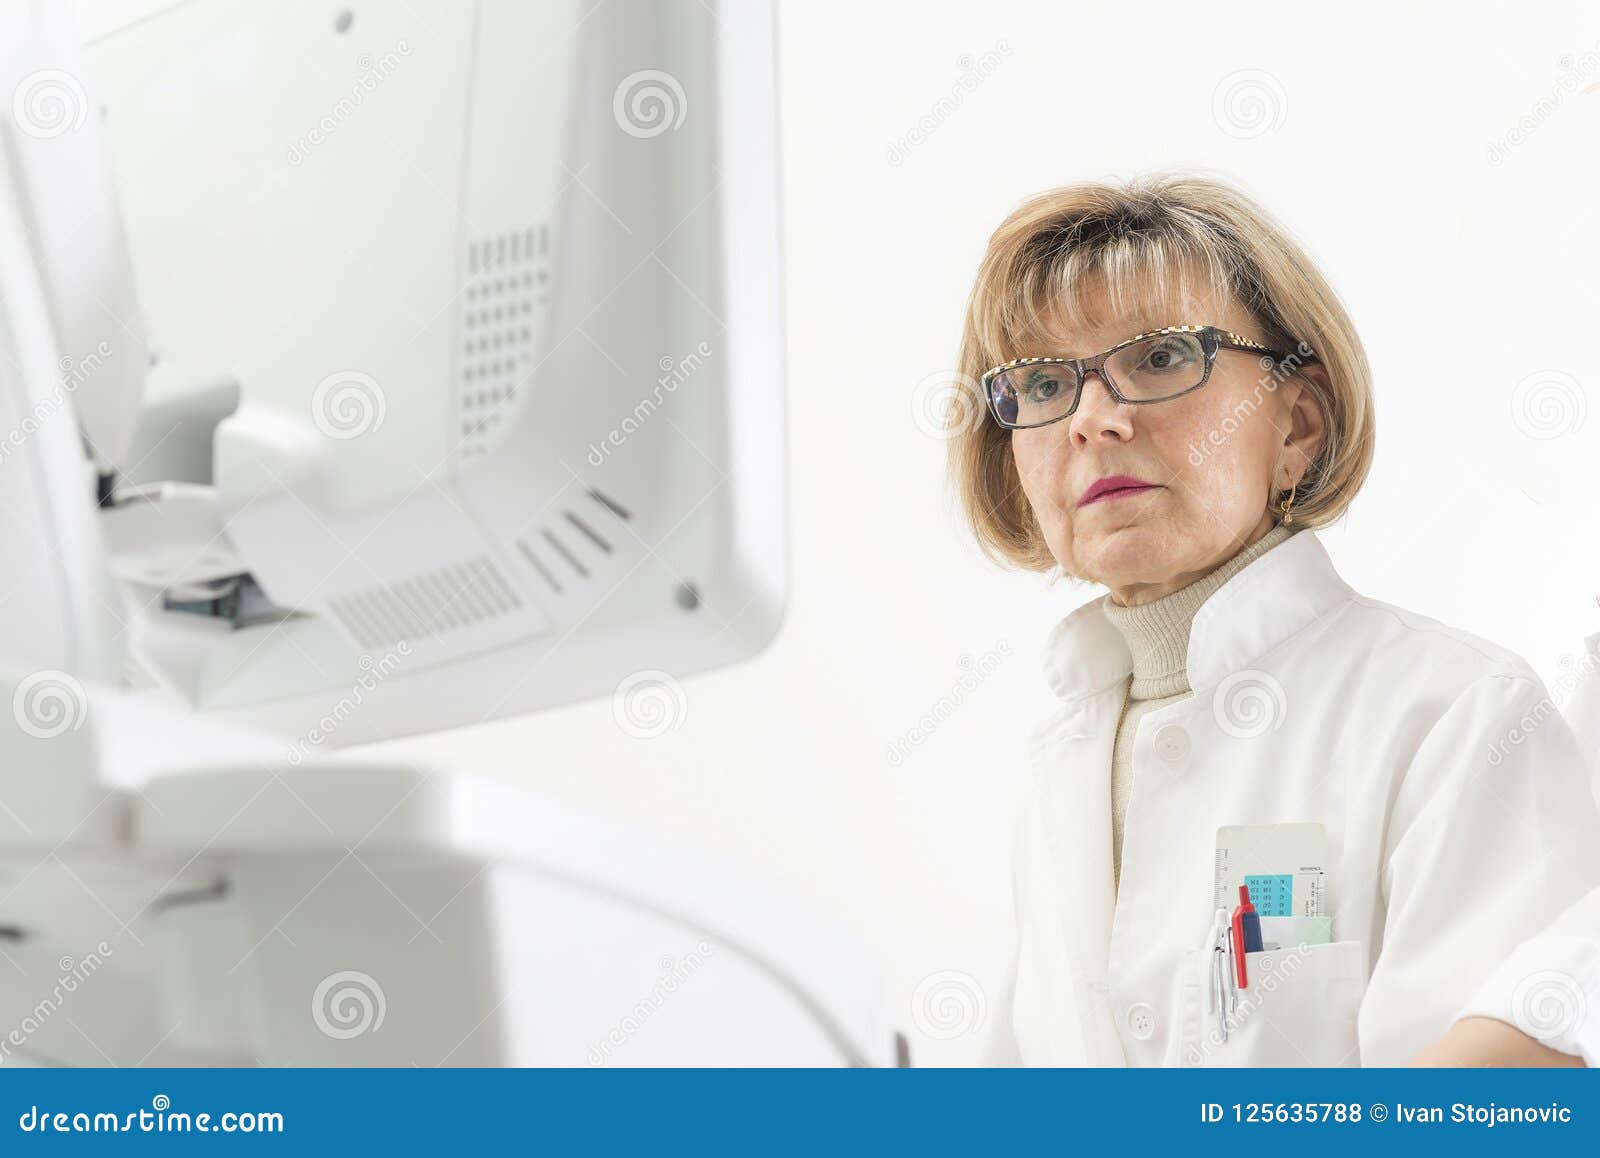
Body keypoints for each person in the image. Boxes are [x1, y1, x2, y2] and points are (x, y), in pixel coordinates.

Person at [949, 172, 1600, 1065]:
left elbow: (1489, 1108)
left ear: (1297, 424)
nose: (1092, 422)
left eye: (1161, 358)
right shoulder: (1056, 773)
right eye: (1043, 383)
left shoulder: (1455, 715)